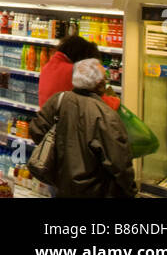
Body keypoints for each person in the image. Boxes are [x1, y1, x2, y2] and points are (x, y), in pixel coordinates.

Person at [30, 58, 136, 198]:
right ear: (100, 84)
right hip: (95, 190)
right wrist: (131, 190)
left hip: (60, 185)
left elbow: (36, 130)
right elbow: (119, 162)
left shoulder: (58, 100)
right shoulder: (105, 115)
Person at [39, 34, 119, 110]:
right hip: (68, 120)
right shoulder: (73, 71)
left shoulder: (48, 67)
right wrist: (116, 101)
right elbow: (98, 102)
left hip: (49, 120)